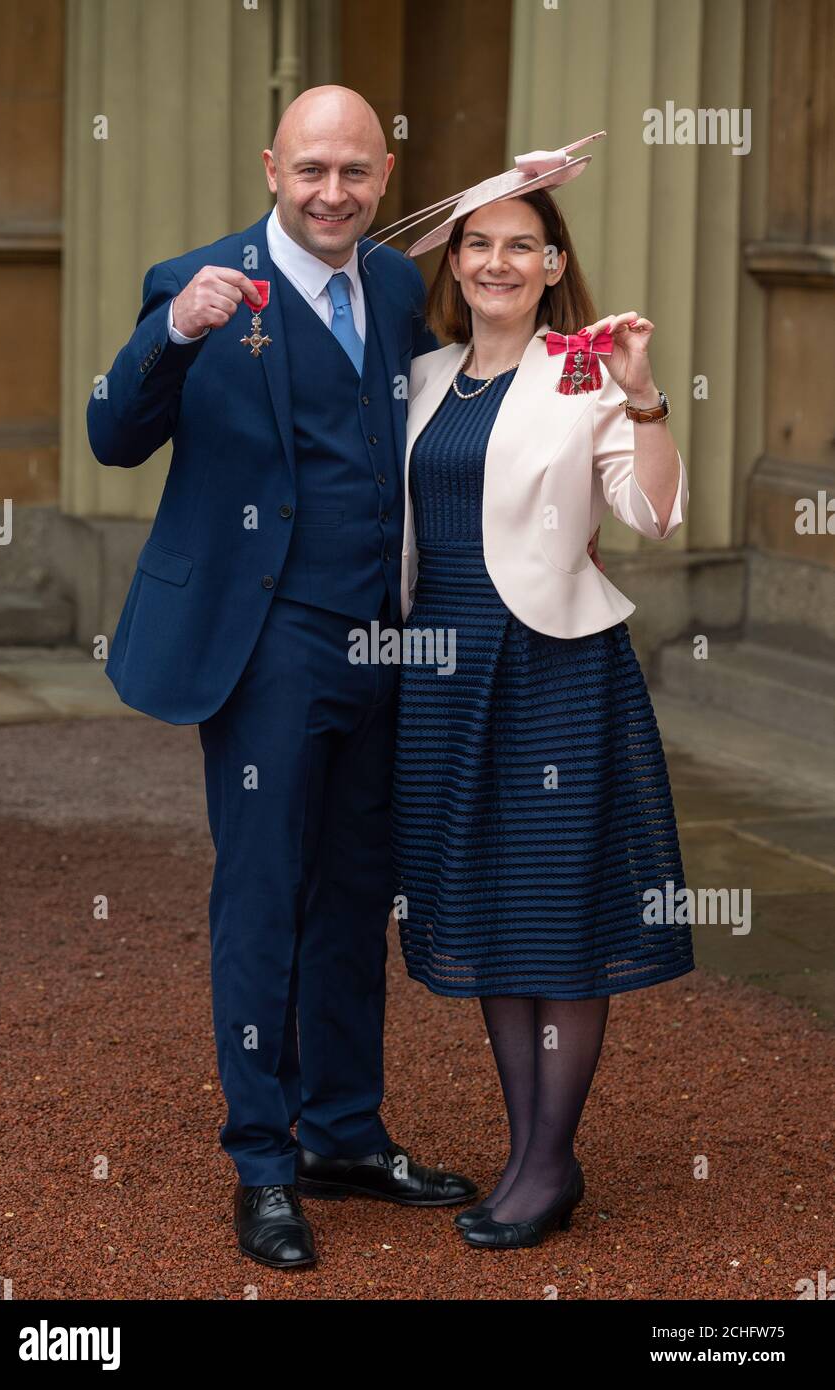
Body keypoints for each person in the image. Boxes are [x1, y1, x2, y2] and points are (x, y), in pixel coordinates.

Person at [86, 85, 479, 1271]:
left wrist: (516, 192)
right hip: (264, 648)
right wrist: (174, 334)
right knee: (264, 897)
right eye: (311, 170)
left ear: (379, 176)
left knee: (360, 890)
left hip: (383, 642)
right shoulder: (194, 280)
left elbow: (485, 327)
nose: (332, 193)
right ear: (271, 167)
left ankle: (342, 1133)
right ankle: (263, 1163)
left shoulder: (398, 285)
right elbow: (111, 430)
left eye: (355, 173)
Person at [382, 135, 696, 1249]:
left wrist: (644, 398)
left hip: (556, 662)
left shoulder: (582, 368)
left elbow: (655, 516)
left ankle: (550, 1162)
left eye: (523, 244)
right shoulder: (418, 375)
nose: (499, 262)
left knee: (558, 912)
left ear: (554, 264)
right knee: (481, 907)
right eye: (479, 244)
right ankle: (524, 1151)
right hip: (441, 666)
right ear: (455, 263)